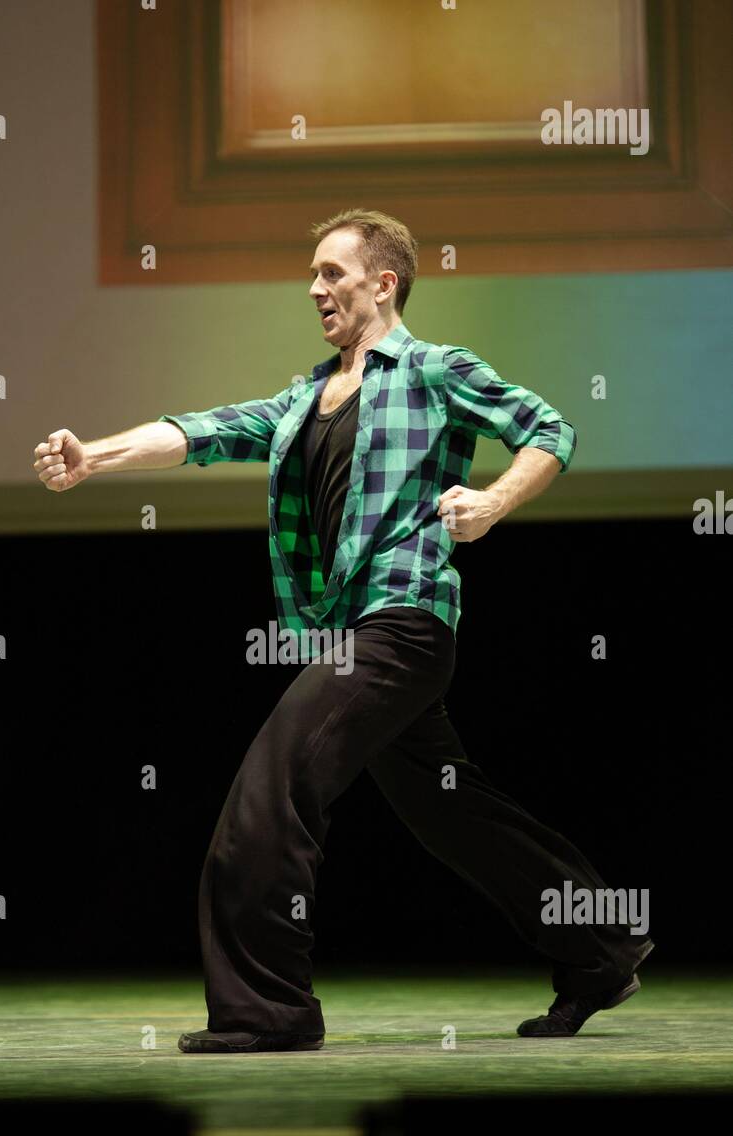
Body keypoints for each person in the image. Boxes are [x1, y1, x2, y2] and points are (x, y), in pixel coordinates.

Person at [33, 208, 653, 1053]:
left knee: (274, 785)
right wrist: (94, 456)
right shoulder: (304, 399)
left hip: (404, 625)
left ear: (383, 282)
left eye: (332, 273)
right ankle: (601, 949)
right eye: (313, 275)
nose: (315, 288)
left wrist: (493, 501)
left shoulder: (435, 371)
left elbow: (552, 428)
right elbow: (204, 431)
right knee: (456, 814)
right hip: (349, 631)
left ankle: (268, 1010)